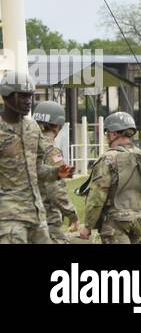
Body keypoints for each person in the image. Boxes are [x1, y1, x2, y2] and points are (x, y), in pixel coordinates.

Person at [81, 111, 141, 244]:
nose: (107, 137)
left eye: (107, 133)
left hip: (116, 221)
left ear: (114, 133)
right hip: (139, 219)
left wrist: (88, 226)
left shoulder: (108, 158)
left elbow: (97, 196)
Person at [0, 71, 50, 244]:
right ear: (6, 95)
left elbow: (38, 168)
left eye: (30, 96)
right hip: (9, 218)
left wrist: (58, 172)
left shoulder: (32, 127)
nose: (28, 101)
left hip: (36, 214)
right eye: (22, 96)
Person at [32, 101, 77, 243]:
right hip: (46, 220)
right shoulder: (51, 152)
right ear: (57, 126)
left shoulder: (23, 146)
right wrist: (71, 213)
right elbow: (55, 189)